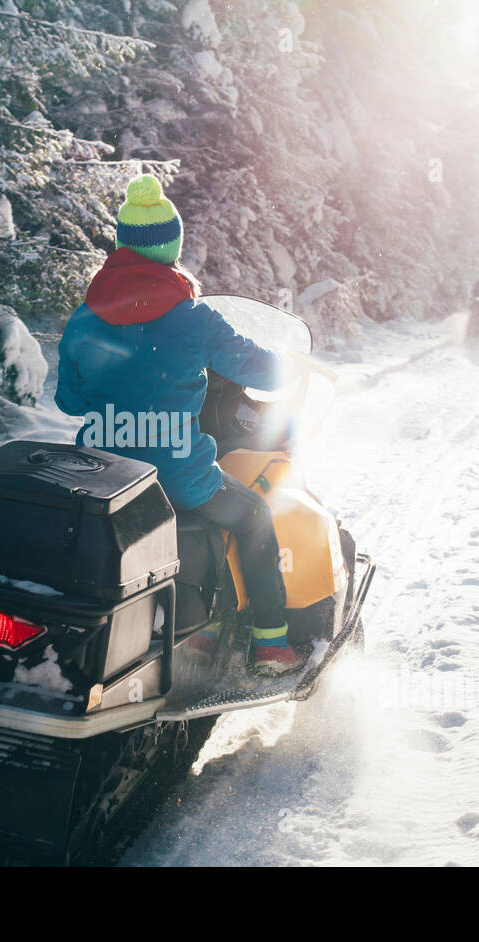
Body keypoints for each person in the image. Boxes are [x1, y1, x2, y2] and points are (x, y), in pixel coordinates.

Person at [55, 174, 303, 675]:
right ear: (171, 248)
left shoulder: (86, 317)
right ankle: (271, 645)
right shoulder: (191, 317)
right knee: (254, 516)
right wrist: (296, 365)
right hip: (177, 480)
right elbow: (258, 369)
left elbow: (69, 400)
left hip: (103, 476)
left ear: (122, 246)